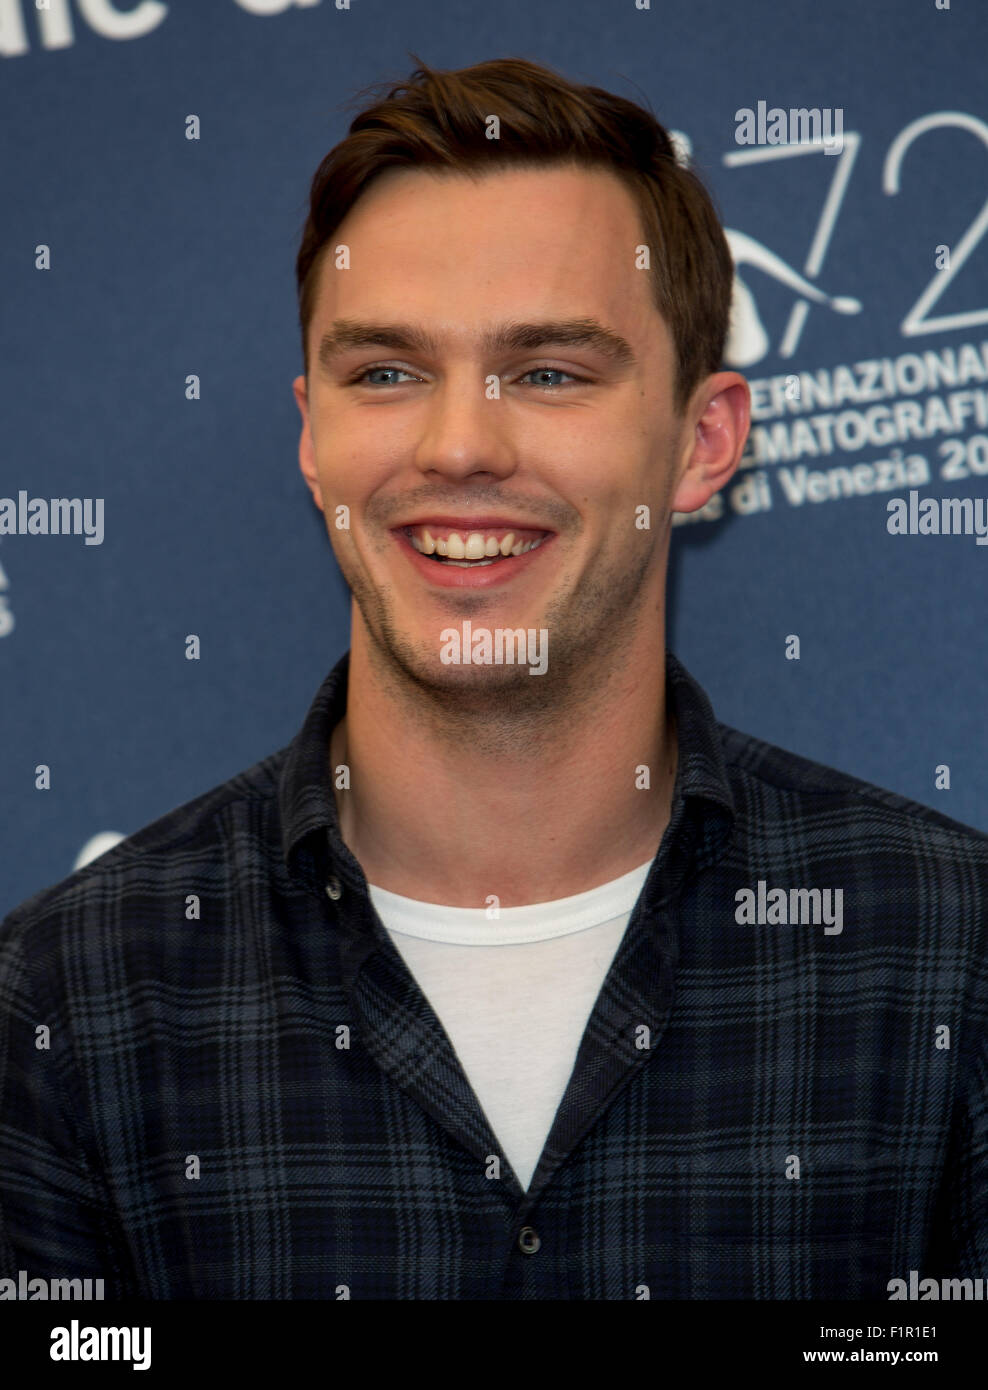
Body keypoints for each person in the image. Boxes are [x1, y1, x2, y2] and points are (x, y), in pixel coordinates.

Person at [1, 55, 986, 1302]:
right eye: (388, 372)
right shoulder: (68, 1002)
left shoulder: (950, 959)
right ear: (313, 437)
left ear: (702, 443)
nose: (460, 442)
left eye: (550, 371)